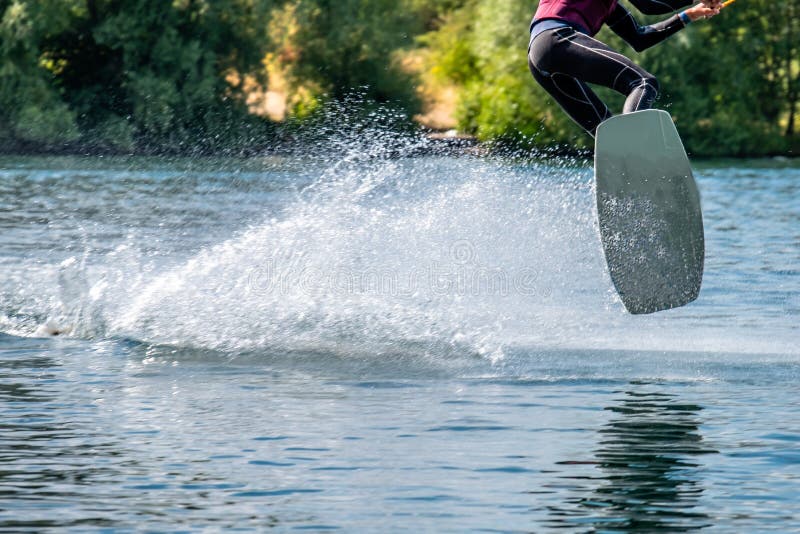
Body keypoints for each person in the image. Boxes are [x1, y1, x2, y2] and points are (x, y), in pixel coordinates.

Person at [528, 0, 723, 137]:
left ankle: (622, 174)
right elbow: (648, 5)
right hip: (556, 38)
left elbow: (639, 38)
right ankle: (632, 148)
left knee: (607, 132)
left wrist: (690, 14)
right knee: (644, 83)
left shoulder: (608, 5)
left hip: (540, 57)